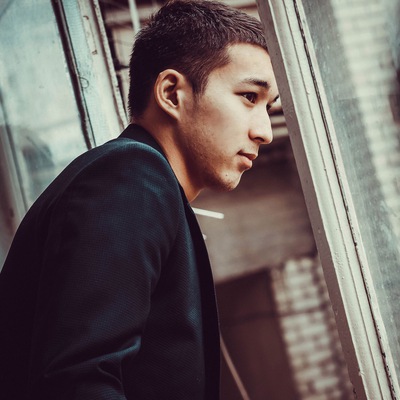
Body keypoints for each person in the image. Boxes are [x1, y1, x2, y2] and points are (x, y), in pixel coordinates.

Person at [0, 0, 279, 398]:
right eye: (249, 96)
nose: (265, 131)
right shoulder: (131, 178)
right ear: (171, 93)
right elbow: (77, 383)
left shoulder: (143, 184)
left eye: (269, 107)